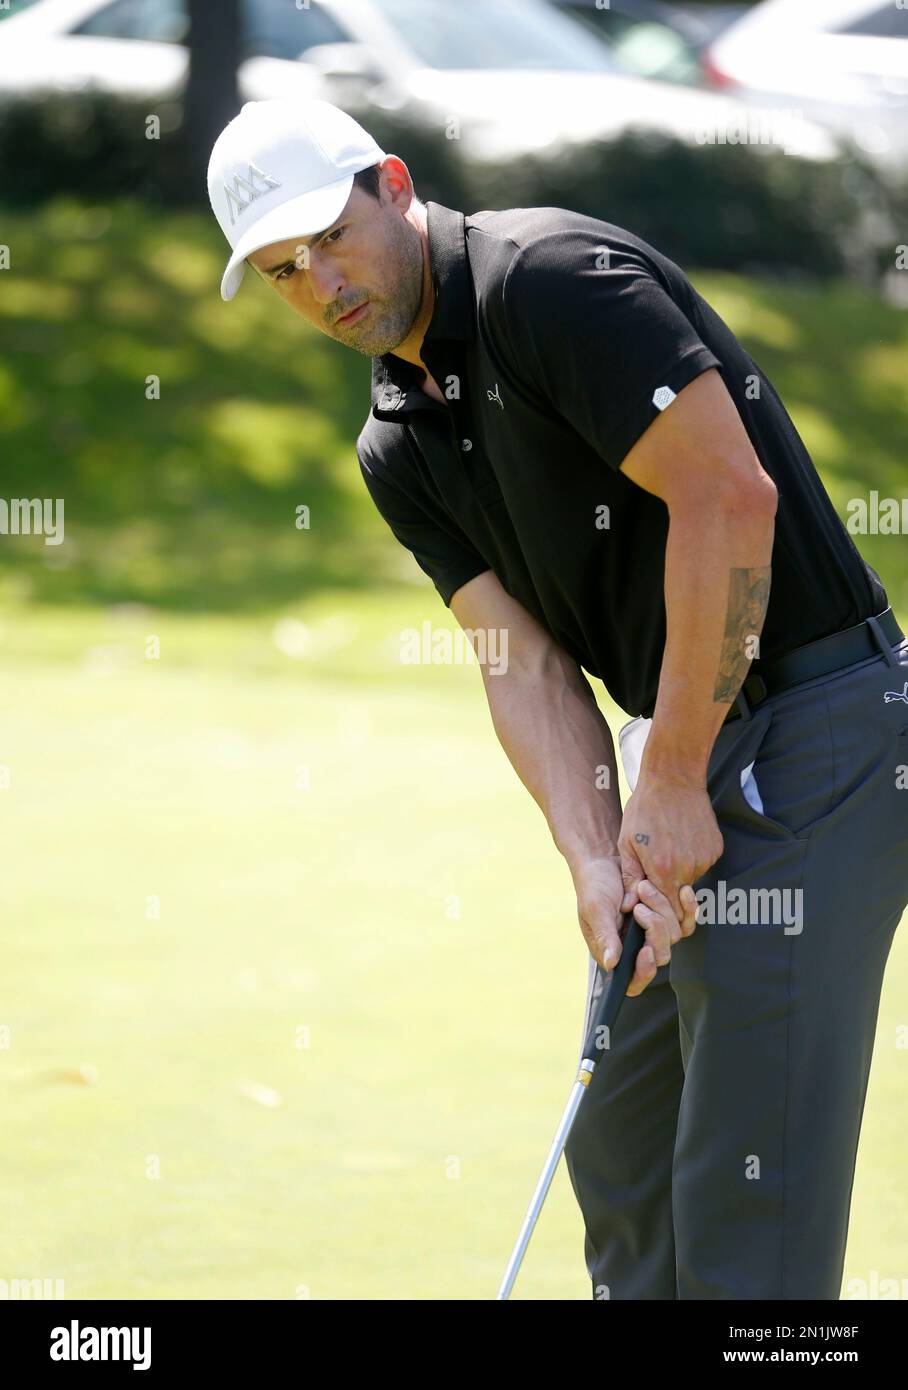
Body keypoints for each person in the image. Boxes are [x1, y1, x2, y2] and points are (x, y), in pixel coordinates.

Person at [206, 99, 908, 1300]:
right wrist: (593, 857)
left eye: (327, 236)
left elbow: (729, 502)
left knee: (747, 1196)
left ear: (391, 181)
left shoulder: (551, 283)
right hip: (681, 748)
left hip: (817, 730)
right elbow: (520, 663)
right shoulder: (394, 440)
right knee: (623, 1160)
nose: (318, 284)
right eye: (281, 270)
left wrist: (675, 775)